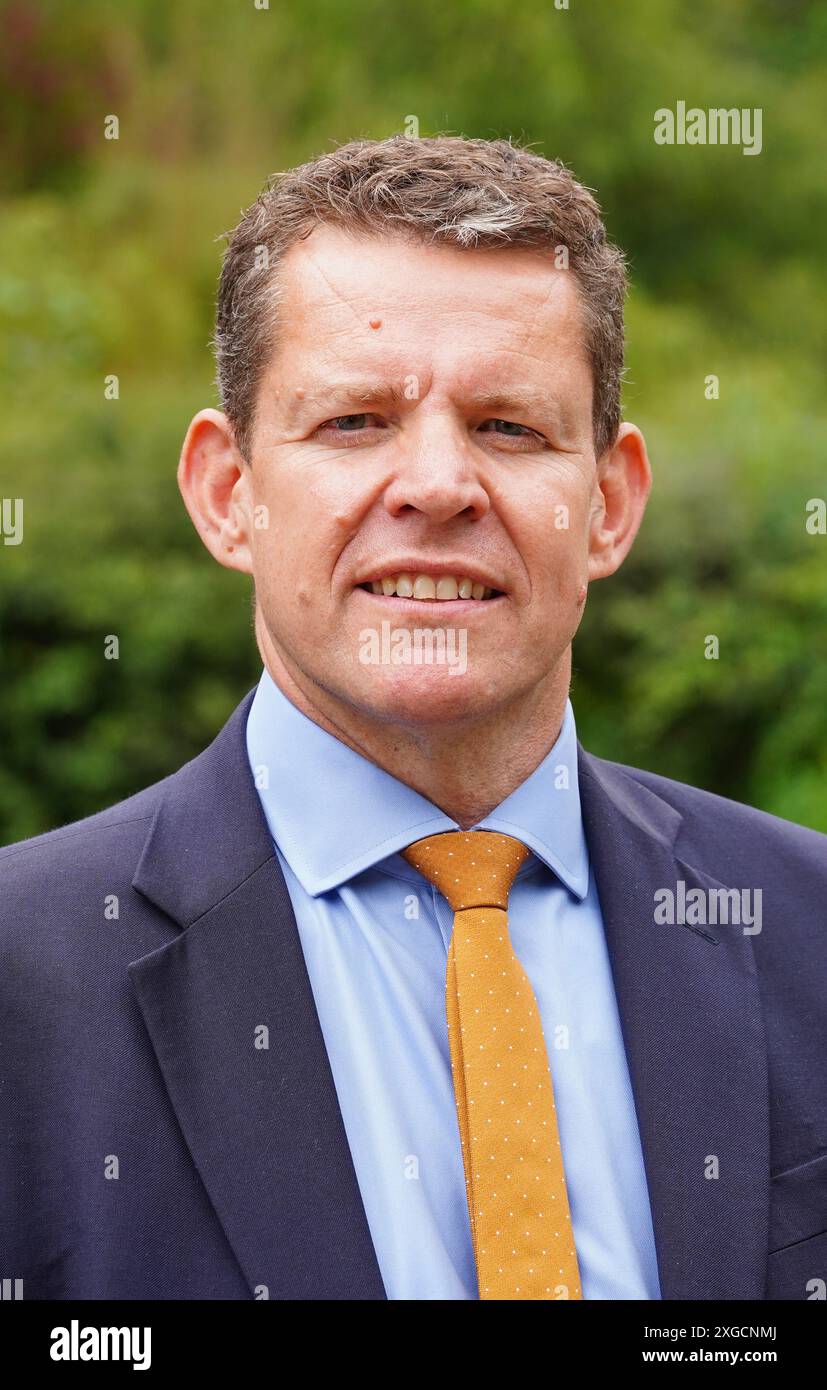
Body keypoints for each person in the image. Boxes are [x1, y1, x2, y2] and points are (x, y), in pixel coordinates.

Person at [2, 136, 825, 1302]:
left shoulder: (809, 933)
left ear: (608, 503)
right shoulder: (22, 982)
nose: (436, 485)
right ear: (229, 493)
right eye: (353, 423)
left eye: (508, 427)